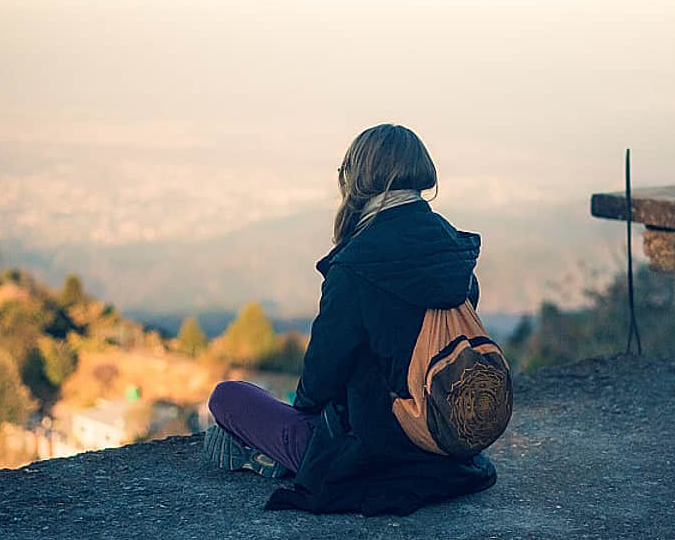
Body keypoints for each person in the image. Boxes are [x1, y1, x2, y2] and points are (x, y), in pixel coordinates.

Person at [204, 123, 499, 515]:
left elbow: (316, 387)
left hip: (371, 454)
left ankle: (269, 454)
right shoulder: (453, 249)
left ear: (357, 178)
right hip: (450, 441)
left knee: (228, 397)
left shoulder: (356, 263)